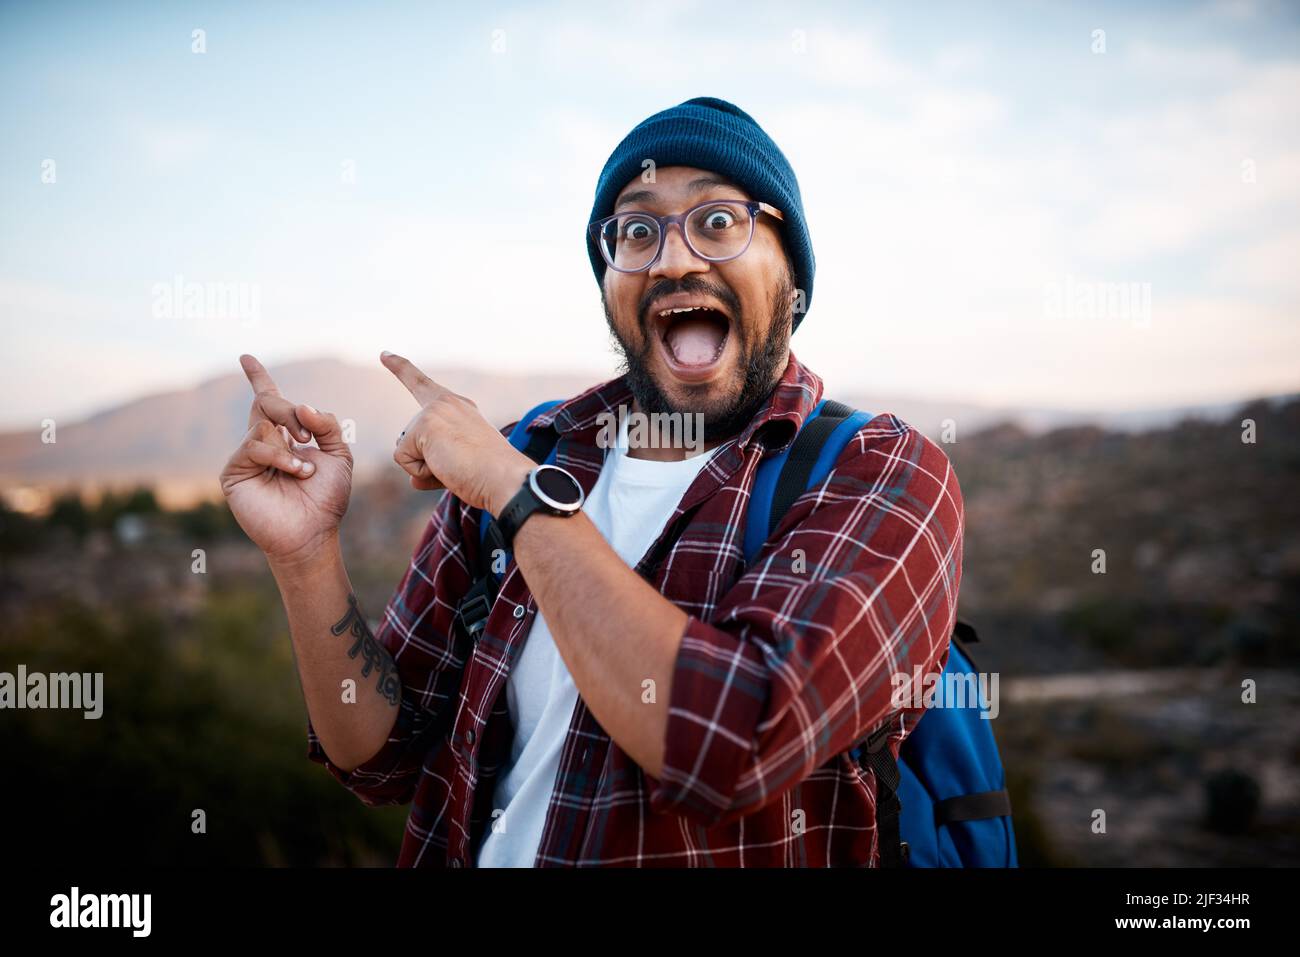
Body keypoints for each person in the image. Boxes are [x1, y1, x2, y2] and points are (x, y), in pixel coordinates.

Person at [219, 96, 964, 867]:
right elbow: (380, 756)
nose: (673, 259)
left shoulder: (880, 471)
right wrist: (306, 557)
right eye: (637, 231)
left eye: (717, 221)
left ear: (791, 267)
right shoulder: (534, 447)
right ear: (609, 281)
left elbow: (734, 744)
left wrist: (516, 495)